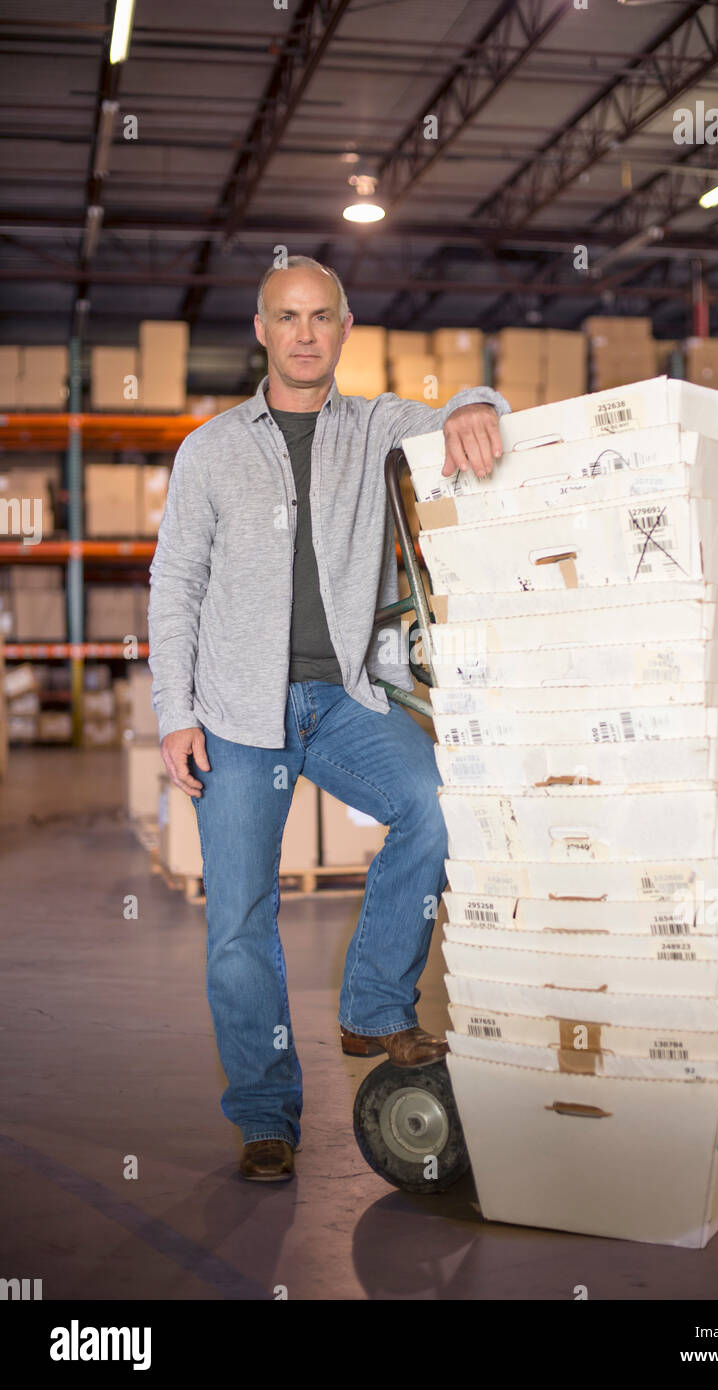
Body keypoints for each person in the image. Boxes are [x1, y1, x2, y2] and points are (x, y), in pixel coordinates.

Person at [148, 255, 510, 1181]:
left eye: (321, 317)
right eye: (286, 317)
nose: (304, 333)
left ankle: (375, 1006)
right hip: (235, 710)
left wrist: (476, 401)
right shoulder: (212, 448)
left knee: (432, 805)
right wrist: (173, 711)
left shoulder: (377, 425)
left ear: (344, 330)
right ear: (261, 331)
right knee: (238, 920)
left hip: (340, 699)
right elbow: (176, 583)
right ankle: (266, 1114)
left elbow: (464, 410)